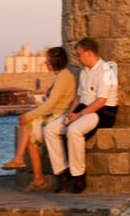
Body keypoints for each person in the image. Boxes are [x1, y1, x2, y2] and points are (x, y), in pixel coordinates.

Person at [44, 37, 118, 193]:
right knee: (50, 129)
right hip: (84, 109)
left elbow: (101, 101)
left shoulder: (106, 72)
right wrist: (71, 114)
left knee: (74, 130)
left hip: (102, 112)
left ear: (89, 53)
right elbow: (79, 97)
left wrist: (77, 117)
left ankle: (78, 175)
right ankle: (62, 172)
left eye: (78, 54)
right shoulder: (84, 71)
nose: (77, 58)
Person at [1, 47, 75, 189]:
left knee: (26, 122)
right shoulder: (61, 76)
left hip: (58, 115)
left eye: (47, 60)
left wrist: (29, 115)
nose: (45, 63)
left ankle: (20, 160)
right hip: (55, 113)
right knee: (29, 134)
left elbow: (51, 103)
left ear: (54, 61)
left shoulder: (64, 77)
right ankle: (37, 178)